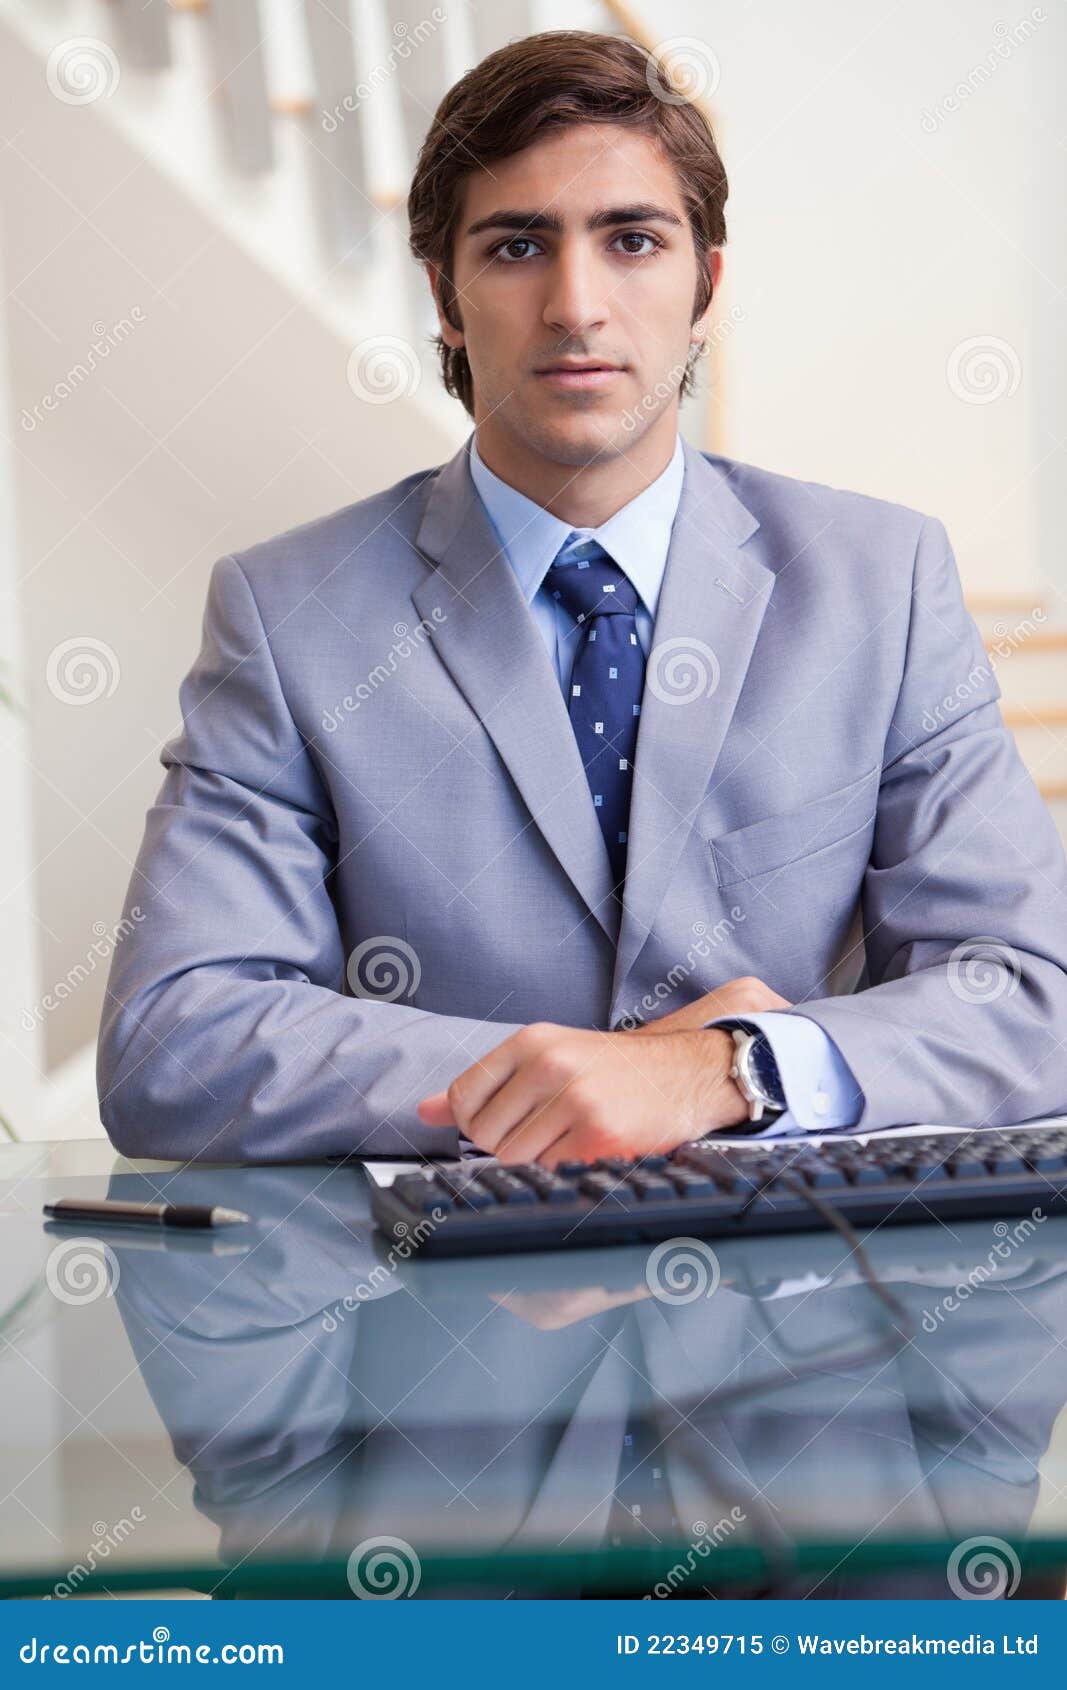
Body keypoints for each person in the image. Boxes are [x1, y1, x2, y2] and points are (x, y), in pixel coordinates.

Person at [97, 31, 1067, 1168]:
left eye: (632, 241)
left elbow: (1028, 991)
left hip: (801, 1266)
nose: (575, 304)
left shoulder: (879, 583)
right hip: (445, 1269)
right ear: (445, 297)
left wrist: (724, 1069)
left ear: (704, 287)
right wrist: (580, 1080)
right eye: (516, 246)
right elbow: (175, 1039)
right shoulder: (286, 613)